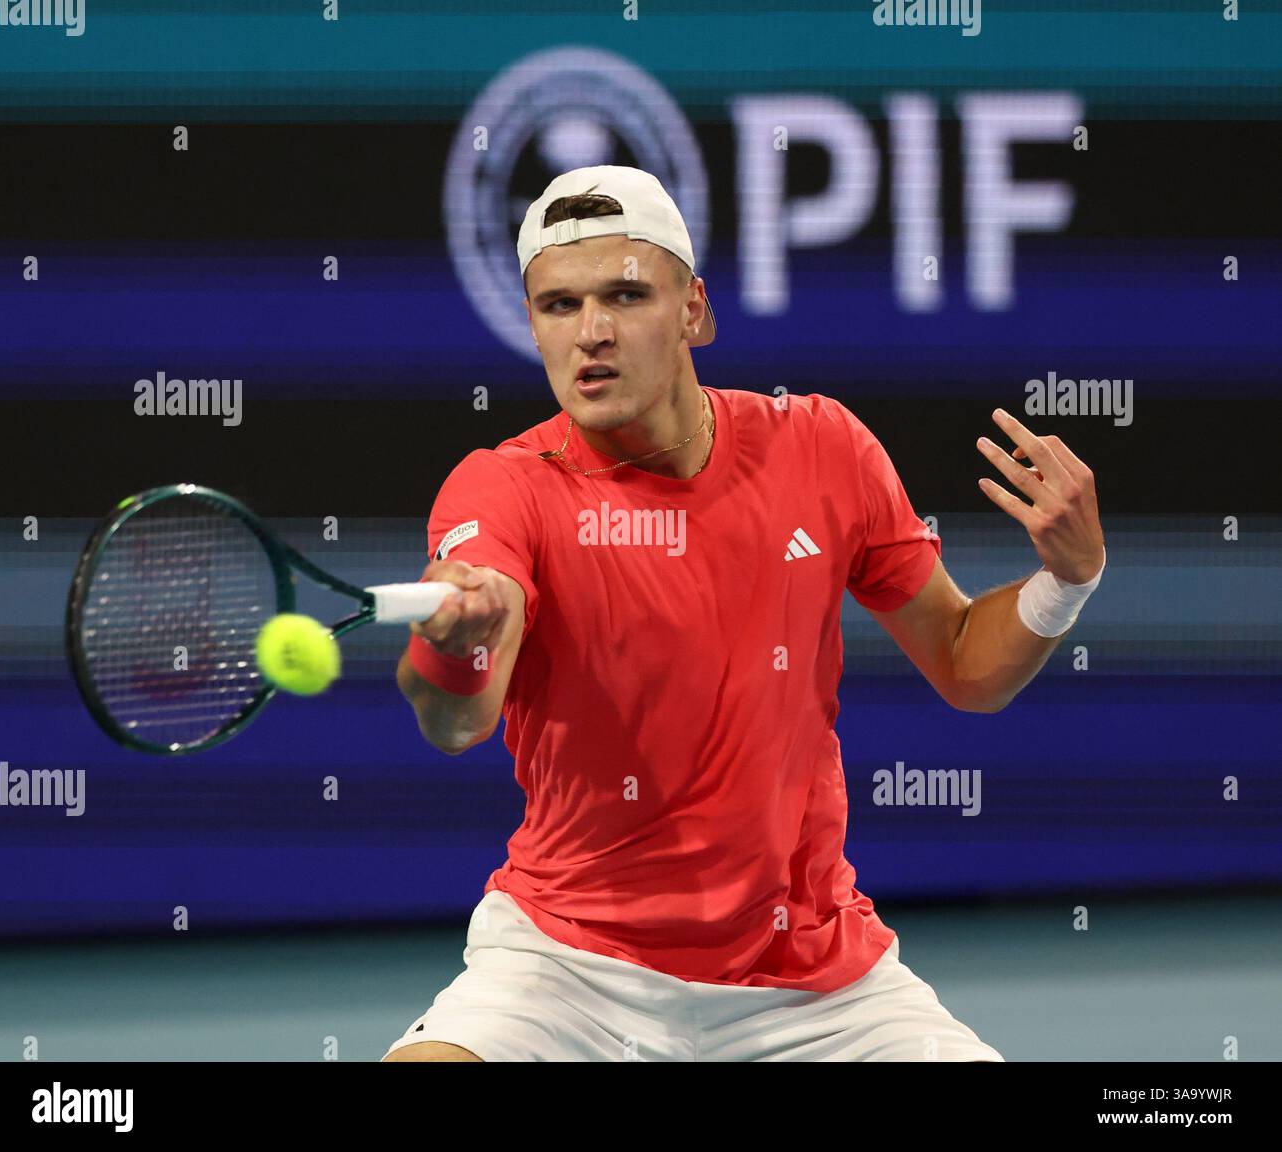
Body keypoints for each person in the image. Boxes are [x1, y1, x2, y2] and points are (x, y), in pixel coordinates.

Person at [384, 166, 1105, 1062]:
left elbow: (964, 661)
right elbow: (457, 721)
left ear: (694, 310)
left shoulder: (822, 446)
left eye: (625, 295)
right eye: (558, 306)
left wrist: (1066, 579)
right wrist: (457, 647)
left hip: (813, 979)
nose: (592, 334)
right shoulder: (503, 488)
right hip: (569, 967)